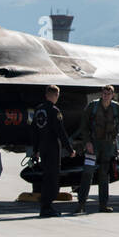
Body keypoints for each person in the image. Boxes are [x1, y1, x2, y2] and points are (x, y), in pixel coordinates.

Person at [75, 84, 119, 213]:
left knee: (104, 175)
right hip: (93, 144)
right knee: (87, 173)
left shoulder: (117, 108)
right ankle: (81, 204)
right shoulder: (92, 107)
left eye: (108, 94)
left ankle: (103, 205)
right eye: (104, 93)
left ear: (112, 95)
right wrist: (87, 142)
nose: (106, 96)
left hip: (108, 146)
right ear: (101, 94)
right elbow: (84, 125)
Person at [30, 84, 75, 218]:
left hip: (43, 148)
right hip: (52, 148)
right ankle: (47, 207)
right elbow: (60, 132)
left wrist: (35, 149)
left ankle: (45, 206)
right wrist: (70, 149)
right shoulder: (54, 111)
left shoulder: (39, 110)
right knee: (53, 179)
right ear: (55, 95)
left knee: (46, 177)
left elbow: (34, 131)